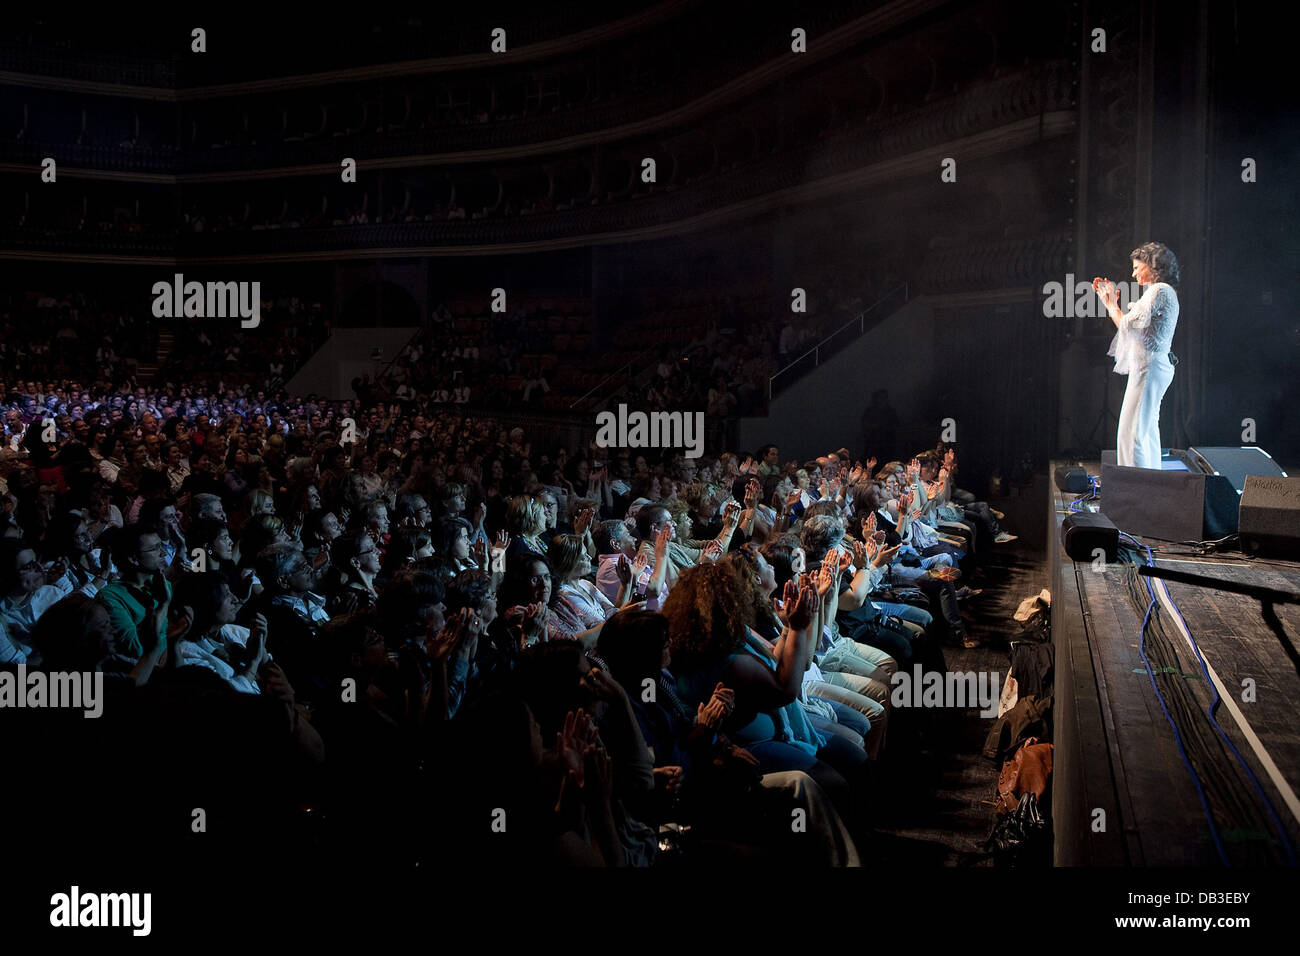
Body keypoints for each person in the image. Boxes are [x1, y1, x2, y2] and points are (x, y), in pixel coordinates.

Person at [1093, 242, 1181, 469]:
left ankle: (1136, 491)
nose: (1132, 273)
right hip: (1153, 366)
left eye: (1136, 267)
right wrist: (1111, 304)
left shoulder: (1159, 290)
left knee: (1132, 433)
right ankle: (1148, 486)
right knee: (1144, 430)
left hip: (1149, 367)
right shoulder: (1162, 292)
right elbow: (1132, 329)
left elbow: (1127, 325)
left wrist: (1111, 303)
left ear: (1154, 266)